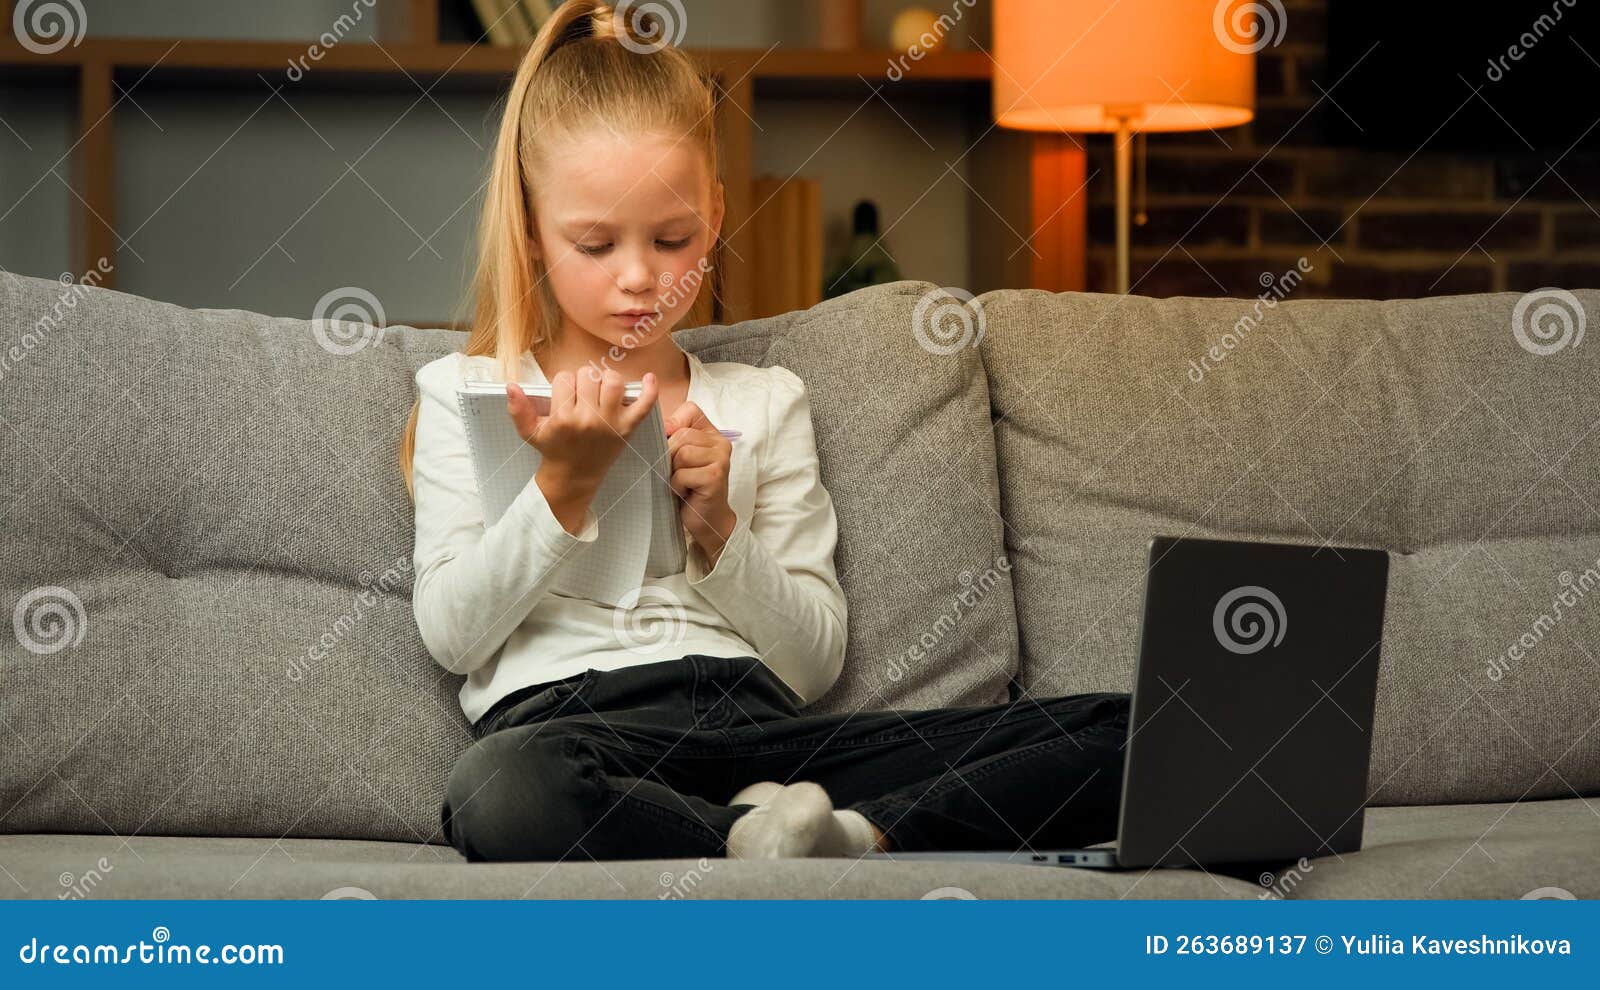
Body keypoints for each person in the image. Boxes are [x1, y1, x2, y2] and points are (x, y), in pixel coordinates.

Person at [398, 0, 1131, 863]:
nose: (640, 278)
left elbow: (813, 663)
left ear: (712, 219)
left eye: (672, 240)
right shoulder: (465, 392)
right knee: (498, 789)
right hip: (574, 735)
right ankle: (755, 838)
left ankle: (847, 833)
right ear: (529, 232)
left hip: (760, 736)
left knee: (1130, 729)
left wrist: (719, 532)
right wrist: (561, 489)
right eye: (595, 245)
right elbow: (452, 635)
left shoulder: (765, 400)